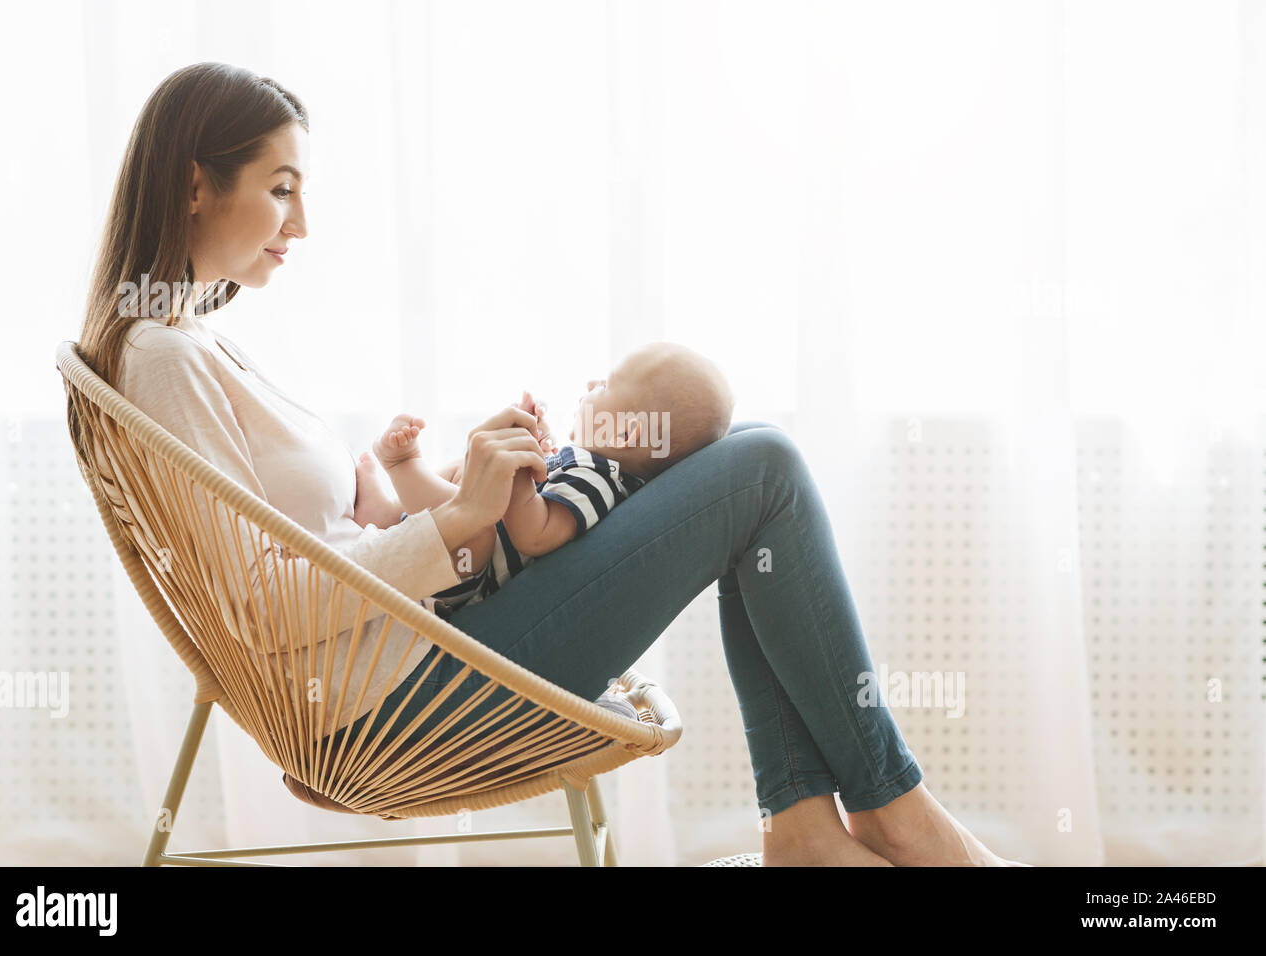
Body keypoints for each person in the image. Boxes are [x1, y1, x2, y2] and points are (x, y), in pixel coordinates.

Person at [71, 61, 1025, 866]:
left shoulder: (188, 343)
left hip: (422, 654)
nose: (302, 224)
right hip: (401, 701)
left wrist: (409, 487)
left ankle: (810, 827)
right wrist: (451, 523)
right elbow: (263, 604)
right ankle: (889, 809)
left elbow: (296, 540)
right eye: (281, 188)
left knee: (739, 457)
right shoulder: (164, 357)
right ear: (196, 183)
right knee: (762, 467)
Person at [351, 341, 736, 613]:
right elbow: (541, 492)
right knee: (466, 471)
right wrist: (531, 450)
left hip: (467, 584)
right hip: (455, 560)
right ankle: (388, 515)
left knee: (477, 523)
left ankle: (403, 466)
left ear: (624, 434)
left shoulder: (601, 481)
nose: (589, 385)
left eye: (604, 385)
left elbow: (535, 535)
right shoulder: (591, 468)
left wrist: (517, 467)